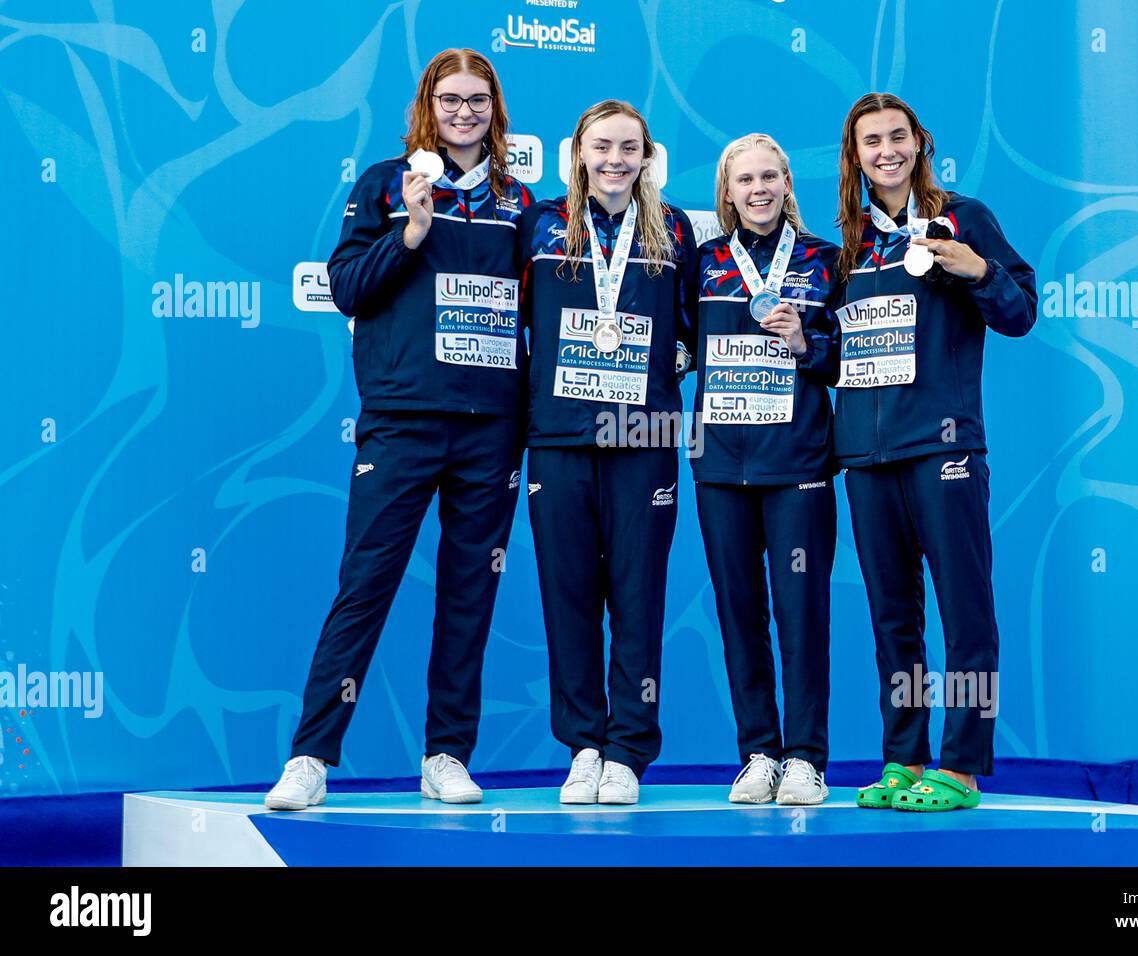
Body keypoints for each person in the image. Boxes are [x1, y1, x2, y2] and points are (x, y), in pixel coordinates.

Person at [265, 49, 533, 810]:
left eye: (478, 100)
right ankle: (312, 756)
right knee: (365, 586)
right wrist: (408, 233)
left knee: (468, 597)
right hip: (403, 421)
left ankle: (447, 753)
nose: (464, 113)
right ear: (427, 104)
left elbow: (540, 309)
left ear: (496, 109)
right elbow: (346, 288)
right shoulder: (387, 183)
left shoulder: (520, 198)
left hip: (490, 429)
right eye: (451, 99)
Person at [831, 92, 1037, 812]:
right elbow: (841, 353)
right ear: (853, 157)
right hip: (866, 457)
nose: (885, 152)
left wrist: (977, 270)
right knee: (893, 616)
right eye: (869, 143)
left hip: (945, 448)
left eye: (896, 137)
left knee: (965, 609)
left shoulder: (964, 217)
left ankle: (962, 764)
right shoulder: (848, 242)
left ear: (919, 141)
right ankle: (904, 757)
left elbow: (1020, 314)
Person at [515, 99, 698, 805]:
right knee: (568, 596)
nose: (616, 160)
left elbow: (692, 326)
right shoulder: (541, 224)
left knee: (637, 593)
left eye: (630, 148)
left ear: (646, 156)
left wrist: (669, 359)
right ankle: (584, 745)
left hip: (642, 438)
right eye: (602, 146)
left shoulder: (675, 227)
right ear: (579, 153)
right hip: (558, 436)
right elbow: (514, 318)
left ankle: (628, 748)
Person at [690, 133, 840, 805]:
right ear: (726, 191)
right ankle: (758, 752)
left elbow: (845, 362)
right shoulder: (701, 262)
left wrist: (805, 341)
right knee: (739, 611)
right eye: (744, 179)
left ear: (787, 183)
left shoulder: (823, 260)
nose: (758, 190)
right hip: (720, 466)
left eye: (769, 177)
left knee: (802, 611)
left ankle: (806, 757)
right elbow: (676, 345)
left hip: (798, 463)